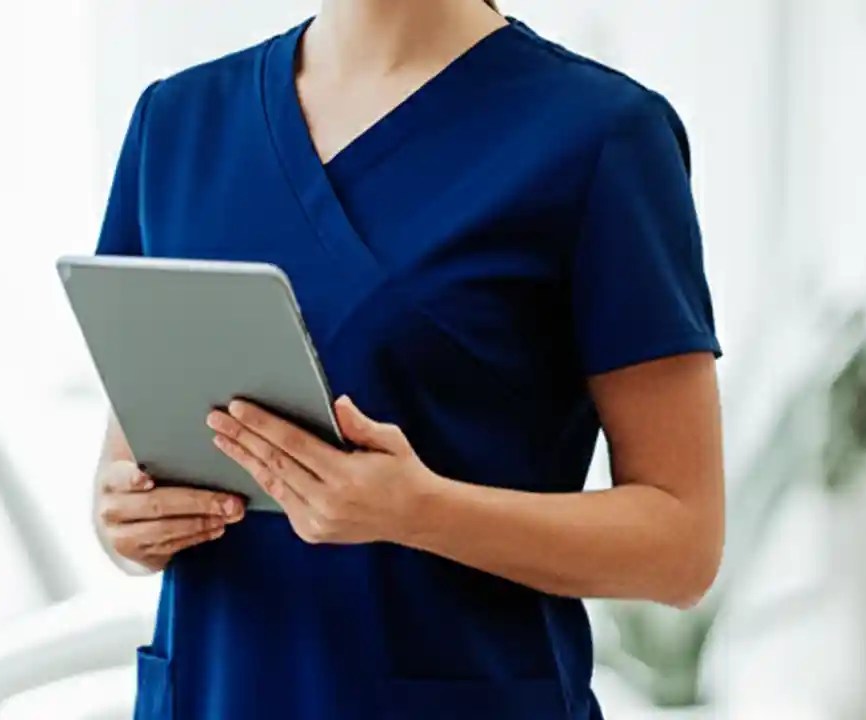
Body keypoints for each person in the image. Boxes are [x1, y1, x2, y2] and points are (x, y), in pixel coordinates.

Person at [91, 1, 724, 718]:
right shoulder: (176, 124)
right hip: (214, 694)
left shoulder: (601, 136)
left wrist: (421, 513)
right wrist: (128, 524)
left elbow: (682, 545)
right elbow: (126, 475)